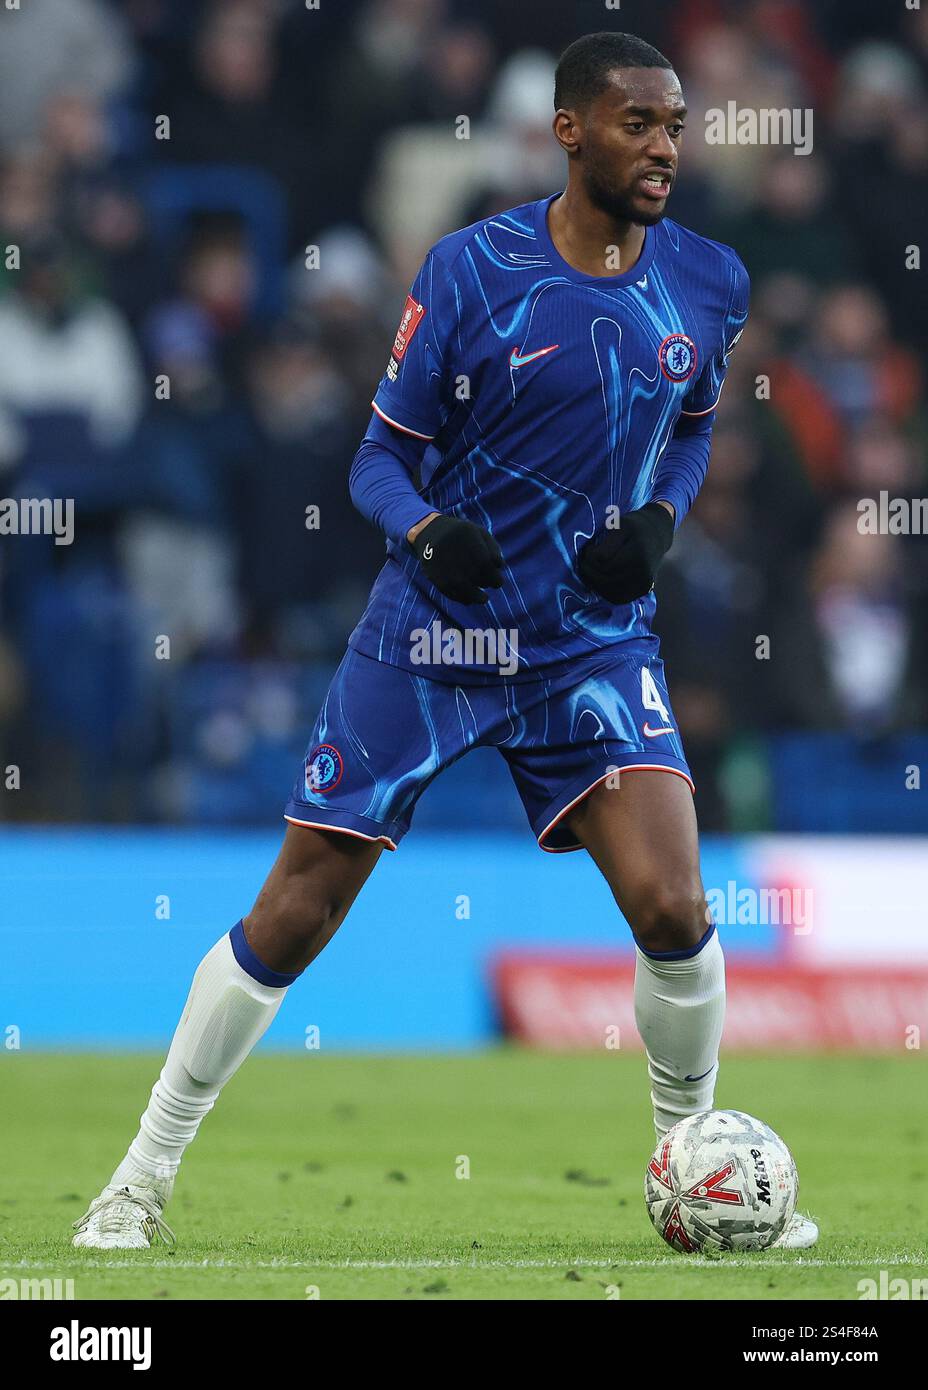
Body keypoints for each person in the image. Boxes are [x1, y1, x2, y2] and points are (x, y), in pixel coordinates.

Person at [73, 31, 816, 1252]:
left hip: (589, 638)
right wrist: (424, 536)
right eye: (637, 124)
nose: (665, 148)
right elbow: (377, 455)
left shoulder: (709, 278)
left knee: (676, 906)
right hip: (436, 633)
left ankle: (690, 1162)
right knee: (298, 910)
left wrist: (662, 519)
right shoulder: (475, 271)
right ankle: (138, 1179)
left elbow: (688, 425)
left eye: (675, 126)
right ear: (570, 132)